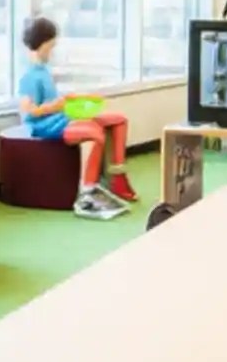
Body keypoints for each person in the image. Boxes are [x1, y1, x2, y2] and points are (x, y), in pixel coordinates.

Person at [18, 17, 138, 220]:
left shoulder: (43, 71)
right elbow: (29, 111)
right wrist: (56, 106)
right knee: (93, 133)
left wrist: (65, 100)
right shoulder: (29, 76)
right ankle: (87, 193)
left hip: (59, 117)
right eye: (51, 46)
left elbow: (52, 101)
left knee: (118, 120)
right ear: (42, 45)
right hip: (44, 126)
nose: (52, 51)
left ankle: (117, 178)